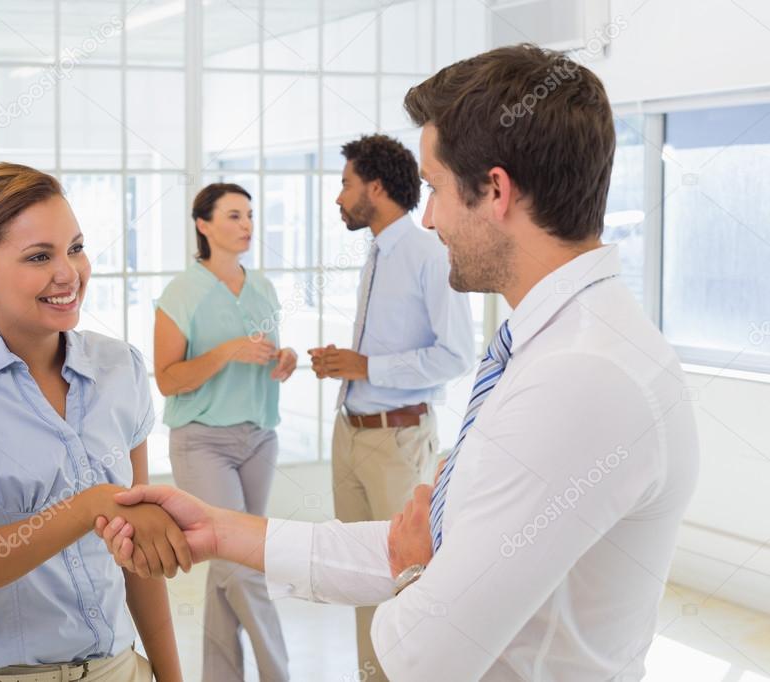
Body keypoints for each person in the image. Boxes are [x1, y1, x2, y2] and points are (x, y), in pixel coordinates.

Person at [94, 44, 701, 682]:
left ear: (496, 191)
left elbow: (419, 654)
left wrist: (415, 572)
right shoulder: (557, 347)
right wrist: (219, 531)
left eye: (436, 188)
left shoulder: (581, 378)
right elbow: (401, 549)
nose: (430, 217)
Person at [0, 163, 190, 682]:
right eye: (38, 257)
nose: (68, 272)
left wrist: (170, 677)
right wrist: (92, 503)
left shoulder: (120, 368)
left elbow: (135, 555)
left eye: (75, 247)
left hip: (116, 668)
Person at [308, 133, 475, 678]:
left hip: (398, 442)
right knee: (360, 576)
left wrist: (367, 368)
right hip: (351, 431)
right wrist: (346, 365)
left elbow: (454, 356)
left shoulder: (428, 251)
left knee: (406, 580)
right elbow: (385, 350)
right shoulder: (377, 252)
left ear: (375, 188)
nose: (339, 198)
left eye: (346, 185)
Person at [152, 183, 296, 682]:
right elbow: (168, 378)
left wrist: (284, 359)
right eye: (234, 215)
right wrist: (227, 351)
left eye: (250, 215)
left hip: (259, 438)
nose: (247, 225)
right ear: (204, 224)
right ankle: (280, 673)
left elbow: (266, 356)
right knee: (245, 563)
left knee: (227, 563)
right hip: (202, 442)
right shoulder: (181, 292)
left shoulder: (264, 289)